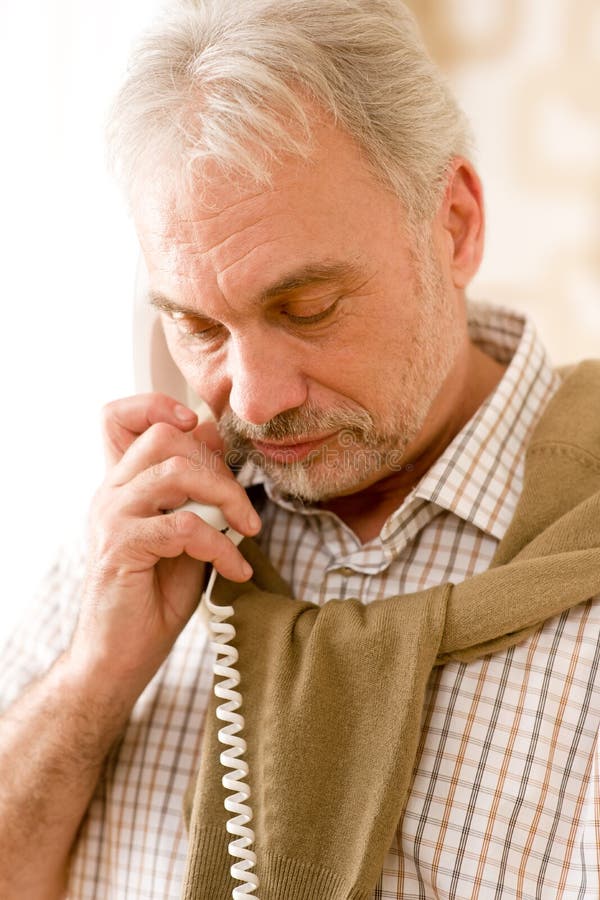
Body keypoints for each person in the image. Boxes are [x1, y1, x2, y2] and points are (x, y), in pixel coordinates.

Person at [1, 1, 599, 898]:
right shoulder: (147, 528)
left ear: (456, 225)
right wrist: (93, 680)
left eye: (308, 309)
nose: (253, 398)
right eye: (198, 326)